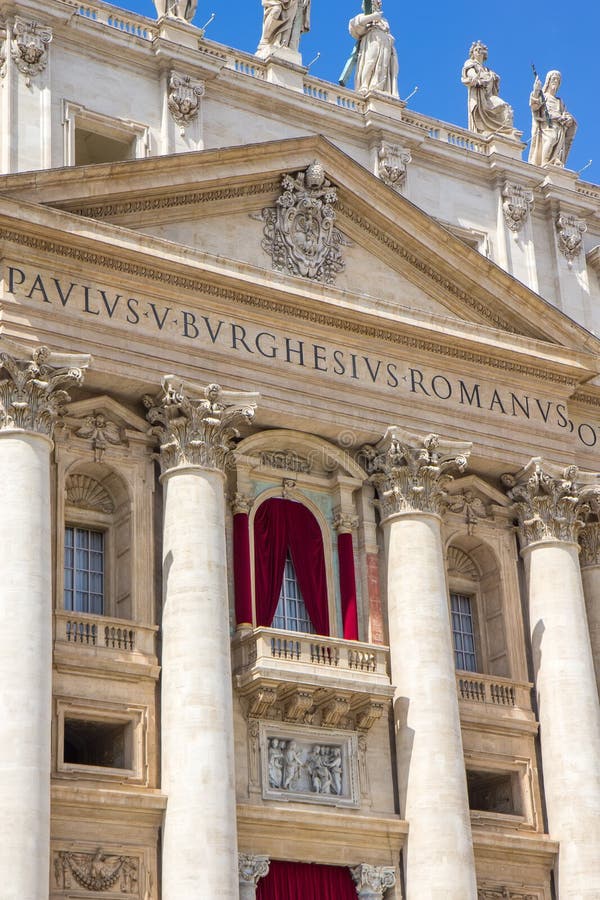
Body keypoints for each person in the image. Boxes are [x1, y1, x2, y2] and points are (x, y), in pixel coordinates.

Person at [461, 41, 514, 136]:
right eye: (475, 50)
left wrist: (494, 77)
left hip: (489, 97)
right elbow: (470, 72)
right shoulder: (470, 63)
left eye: (480, 50)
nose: (478, 51)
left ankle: (506, 134)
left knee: (505, 108)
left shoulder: (488, 70)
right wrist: (476, 79)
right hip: (480, 98)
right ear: (472, 53)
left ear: (484, 53)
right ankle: (484, 131)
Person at [348, 0, 399, 98]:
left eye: (376, 4)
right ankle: (364, 85)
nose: (376, 5)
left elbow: (388, 31)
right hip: (372, 39)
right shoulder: (362, 16)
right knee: (370, 61)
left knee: (383, 65)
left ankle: (378, 87)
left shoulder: (384, 20)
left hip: (385, 42)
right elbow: (355, 24)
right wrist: (374, 17)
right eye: (373, 4)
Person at [528, 70, 576, 168]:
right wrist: (536, 90)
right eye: (554, 79)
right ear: (548, 81)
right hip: (547, 125)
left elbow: (565, 113)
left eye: (558, 80)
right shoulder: (544, 96)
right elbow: (534, 105)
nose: (556, 81)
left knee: (557, 144)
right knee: (551, 138)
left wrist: (568, 119)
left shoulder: (559, 101)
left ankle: (553, 161)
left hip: (559, 126)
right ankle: (544, 162)